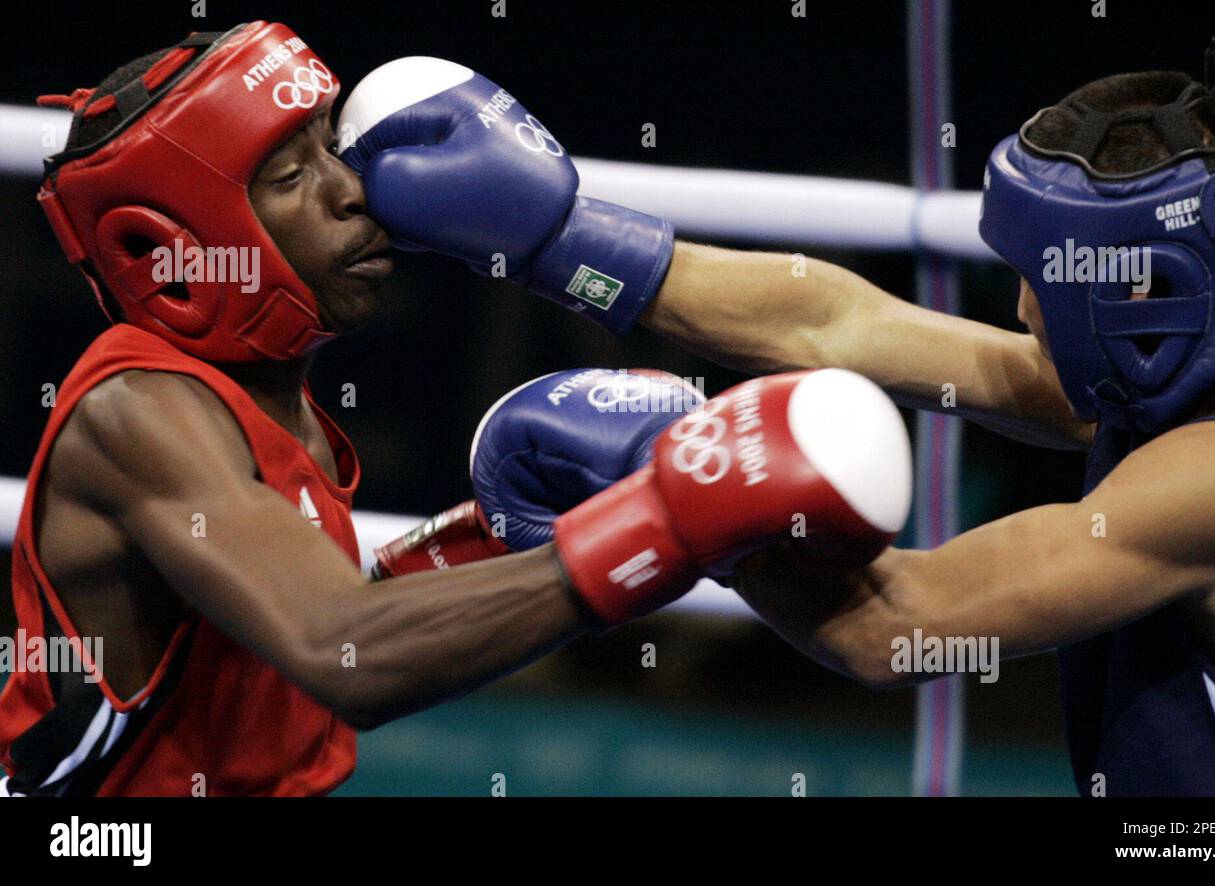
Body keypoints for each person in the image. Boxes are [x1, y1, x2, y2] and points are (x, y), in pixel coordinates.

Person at [0, 22, 911, 796]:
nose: (352, 187)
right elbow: (337, 649)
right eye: (289, 175)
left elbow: (296, 643)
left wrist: (499, 540)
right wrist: (666, 522)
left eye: (327, 142)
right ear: (172, 248)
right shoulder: (140, 411)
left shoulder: (263, 398)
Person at [344, 59, 1215, 795]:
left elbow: (900, 625)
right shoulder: (1186, 389)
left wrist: (678, 478)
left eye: (1047, 281)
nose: (1021, 310)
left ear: (1148, 295)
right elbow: (840, 324)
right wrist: (559, 240)